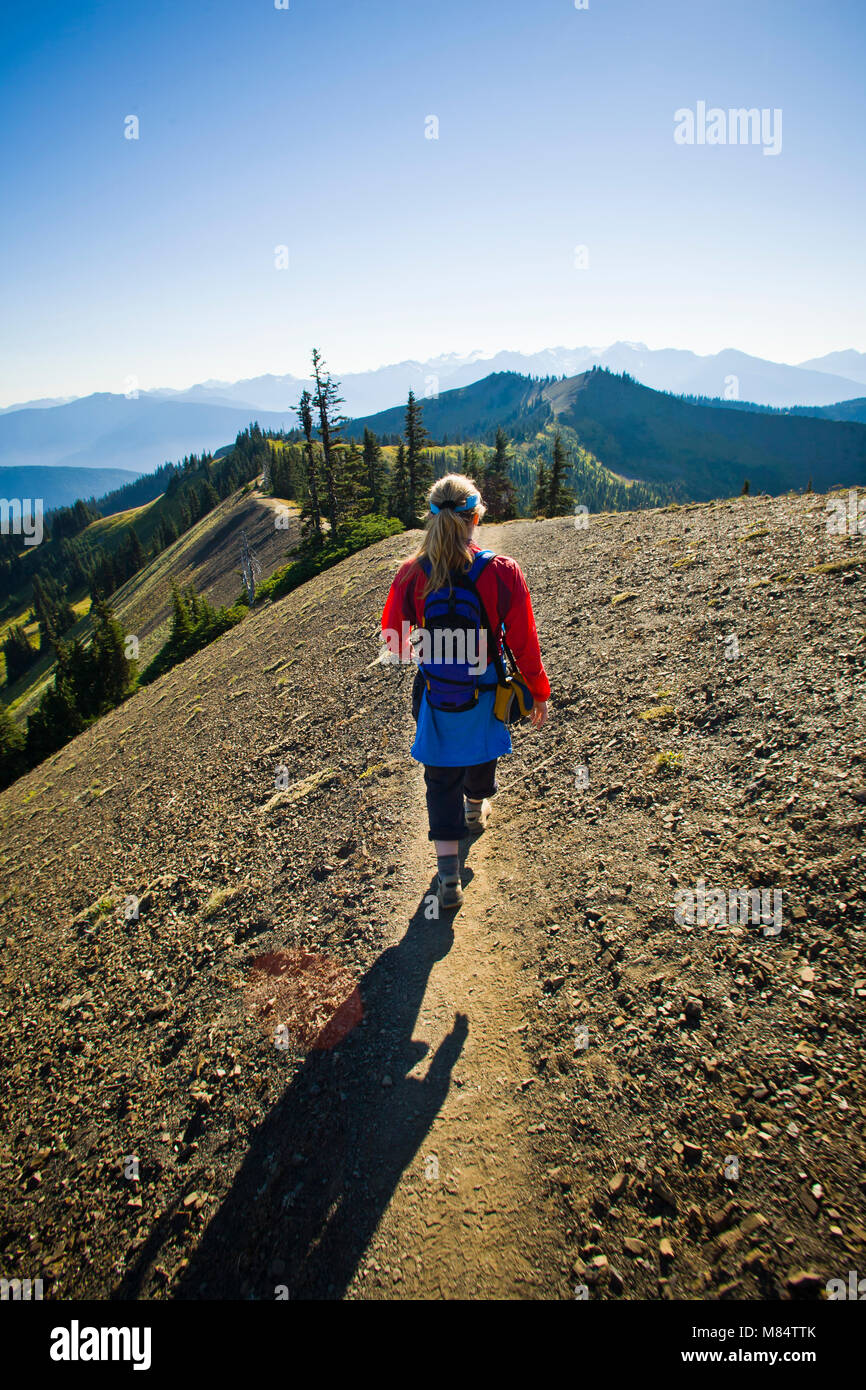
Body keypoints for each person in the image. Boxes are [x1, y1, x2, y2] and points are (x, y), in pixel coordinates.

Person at [380, 472, 550, 909]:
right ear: (475, 517)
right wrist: (537, 689)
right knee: (481, 749)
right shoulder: (501, 570)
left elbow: (395, 644)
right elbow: (523, 639)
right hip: (487, 688)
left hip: (436, 690)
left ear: (431, 518)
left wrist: (436, 650)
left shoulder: (410, 574)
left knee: (439, 777)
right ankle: (475, 809)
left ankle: (448, 878)